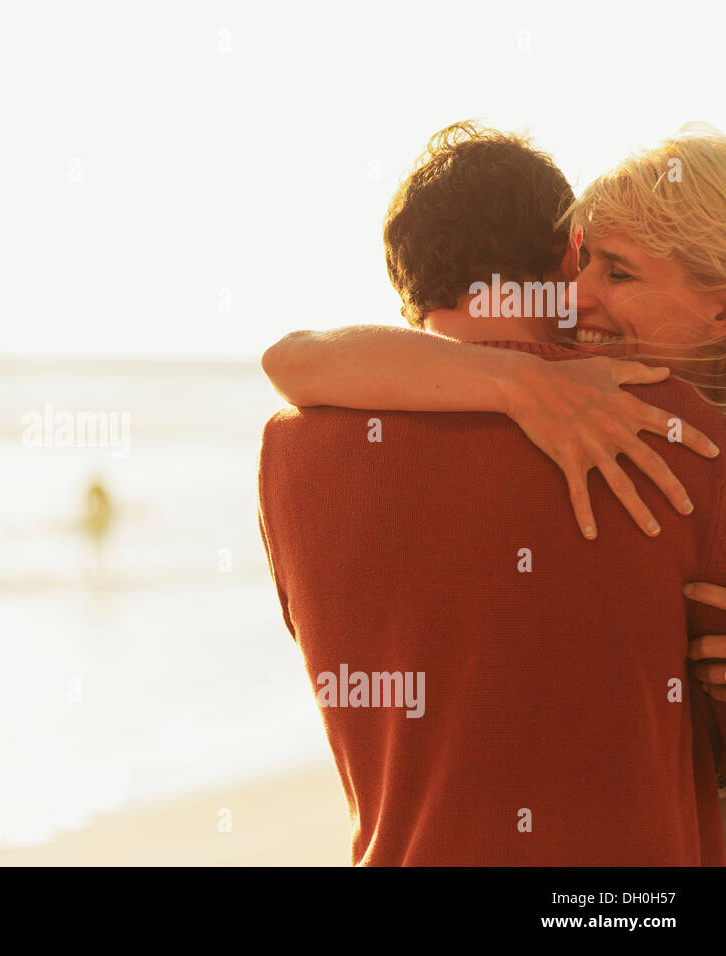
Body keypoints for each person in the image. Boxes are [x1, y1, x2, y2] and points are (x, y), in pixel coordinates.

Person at [258, 122, 726, 864]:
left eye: (620, 273)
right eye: (589, 268)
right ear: (558, 264)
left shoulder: (289, 452)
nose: (589, 298)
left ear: (410, 295)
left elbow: (290, 359)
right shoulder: (689, 440)